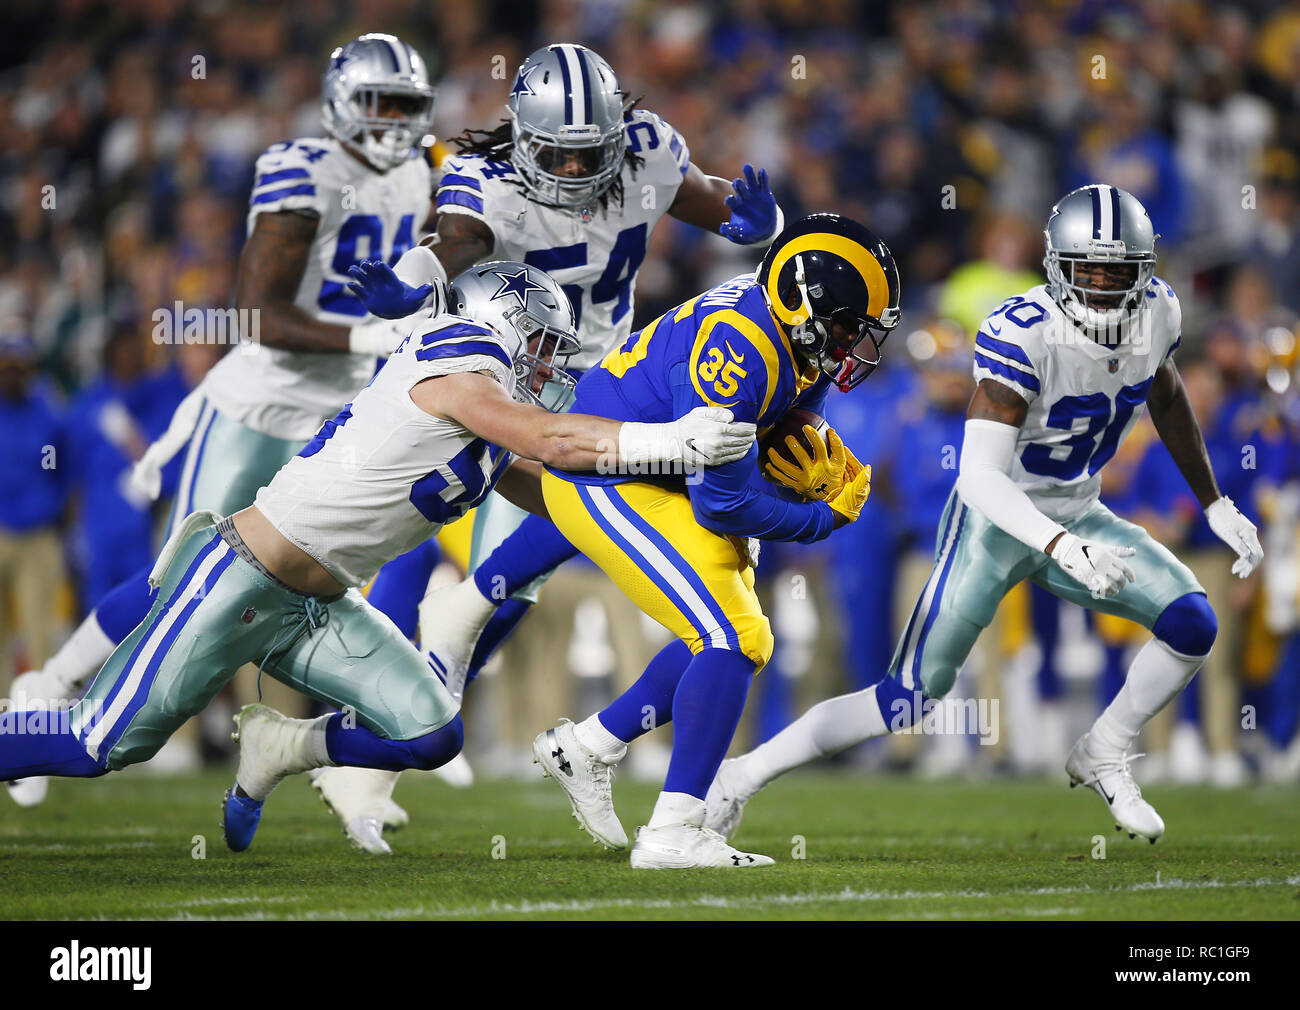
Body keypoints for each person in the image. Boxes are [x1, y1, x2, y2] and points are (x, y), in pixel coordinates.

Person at [0, 262, 756, 854]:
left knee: (430, 735)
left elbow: (557, 485)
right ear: (502, 322)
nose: (554, 364)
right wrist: (666, 439)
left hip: (320, 605)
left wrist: (676, 503)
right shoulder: (462, 359)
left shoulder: (490, 405)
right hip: (239, 574)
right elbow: (548, 439)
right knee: (99, 745)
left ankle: (279, 744)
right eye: (547, 346)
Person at [312, 41, 785, 847]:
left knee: (577, 571)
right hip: (505, 379)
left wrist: (760, 223)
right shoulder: (487, 179)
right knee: (443, 541)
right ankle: (375, 745)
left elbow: (709, 200)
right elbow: (456, 239)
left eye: (587, 151)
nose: (571, 168)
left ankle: (415, 717)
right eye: (555, 151)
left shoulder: (646, 148)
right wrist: (415, 272)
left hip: (605, 378)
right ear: (522, 135)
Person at [703, 186, 1264, 847]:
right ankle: (741, 776)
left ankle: (1105, 749)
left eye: (1122, 272)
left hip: (1076, 511)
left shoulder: (1158, 315)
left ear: (1147, 272)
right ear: (1058, 268)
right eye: (1091, 271)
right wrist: (1059, 546)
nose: (1107, 288)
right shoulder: (1023, 332)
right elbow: (979, 477)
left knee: (1192, 623)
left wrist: (1214, 501)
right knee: (905, 700)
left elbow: (1165, 397)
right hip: (994, 523)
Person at [5, 33, 437, 809]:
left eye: (408, 106)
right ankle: (47, 692)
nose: (394, 122)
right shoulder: (304, 167)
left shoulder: (420, 172)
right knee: (177, 575)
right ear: (342, 101)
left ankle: (314, 735)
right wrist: (370, 335)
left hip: (340, 407)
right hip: (259, 403)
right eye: (380, 104)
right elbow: (255, 312)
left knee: (317, 577)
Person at [531, 213, 897, 868]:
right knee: (731, 635)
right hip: (602, 473)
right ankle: (673, 831)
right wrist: (824, 519)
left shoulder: (795, 339)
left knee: (739, 635)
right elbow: (723, 503)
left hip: (667, 475)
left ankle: (589, 747)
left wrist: (810, 473)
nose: (852, 346)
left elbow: (780, 436)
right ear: (803, 301)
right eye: (846, 327)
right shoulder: (742, 347)